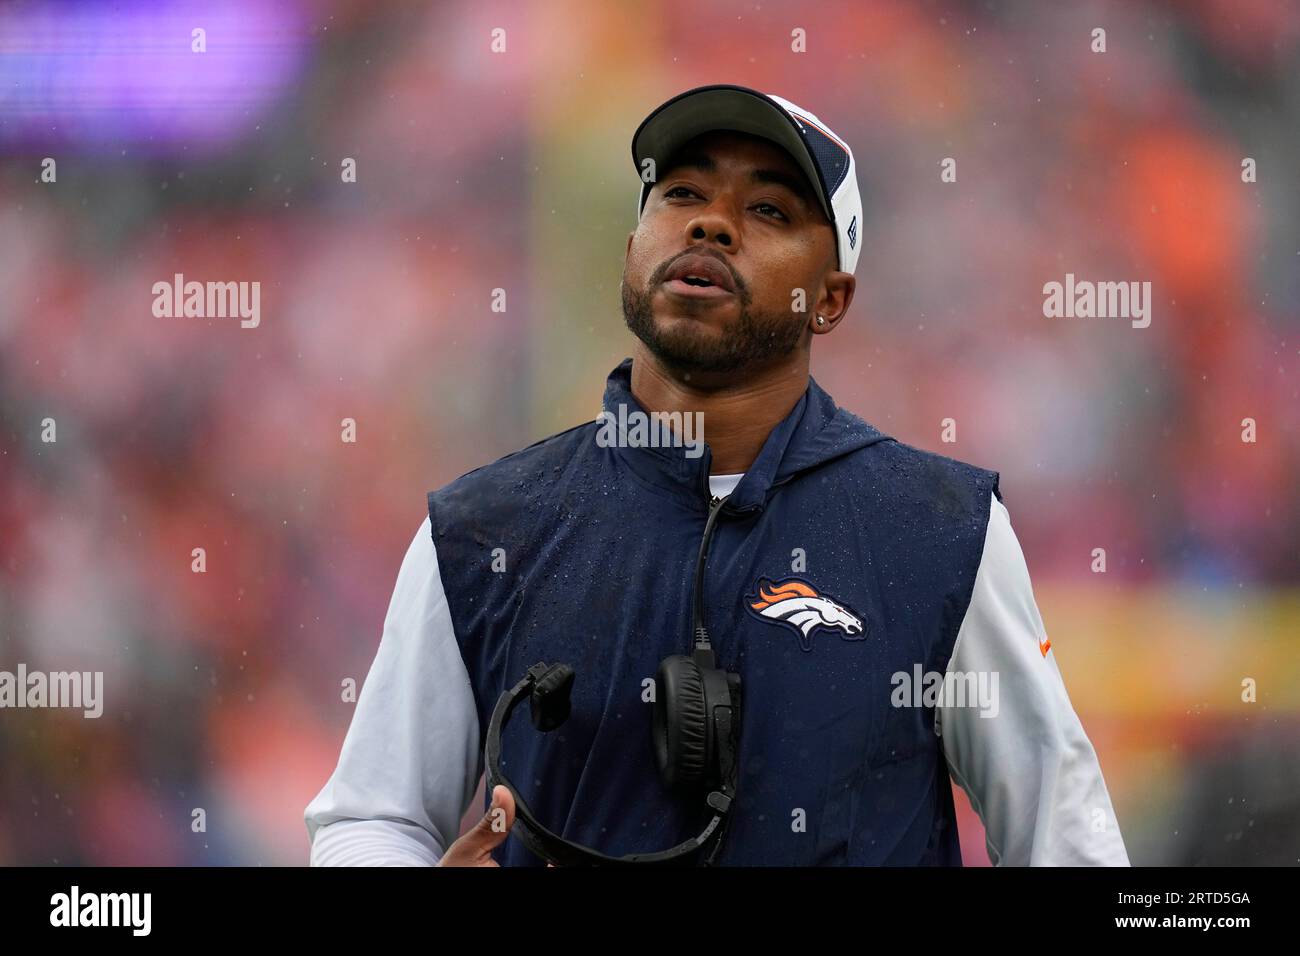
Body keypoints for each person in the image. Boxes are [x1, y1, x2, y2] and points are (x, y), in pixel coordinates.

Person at [304, 84, 1129, 867]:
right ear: (634, 249)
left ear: (831, 297)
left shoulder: (945, 531)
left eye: (767, 209)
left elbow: (1064, 833)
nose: (711, 227)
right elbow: (372, 816)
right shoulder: (482, 532)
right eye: (681, 195)